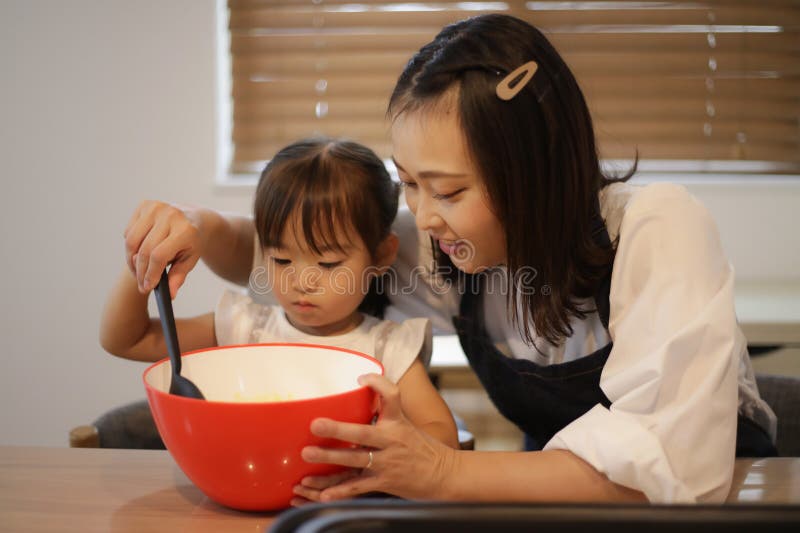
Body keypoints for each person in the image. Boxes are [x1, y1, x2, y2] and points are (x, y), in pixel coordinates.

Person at [120, 14, 777, 504]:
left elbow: (678, 467)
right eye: (408, 183)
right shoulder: (452, 250)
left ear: (533, 173)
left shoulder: (658, 229)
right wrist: (197, 229)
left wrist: (444, 472)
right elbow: (280, 263)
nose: (424, 216)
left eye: (450, 189)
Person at [99, 139, 460, 481]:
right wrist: (145, 262)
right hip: (243, 493)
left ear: (381, 255)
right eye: (282, 258)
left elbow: (443, 436)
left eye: (328, 263)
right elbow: (127, 340)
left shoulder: (388, 350)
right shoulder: (246, 328)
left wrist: (380, 456)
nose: (302, 281)